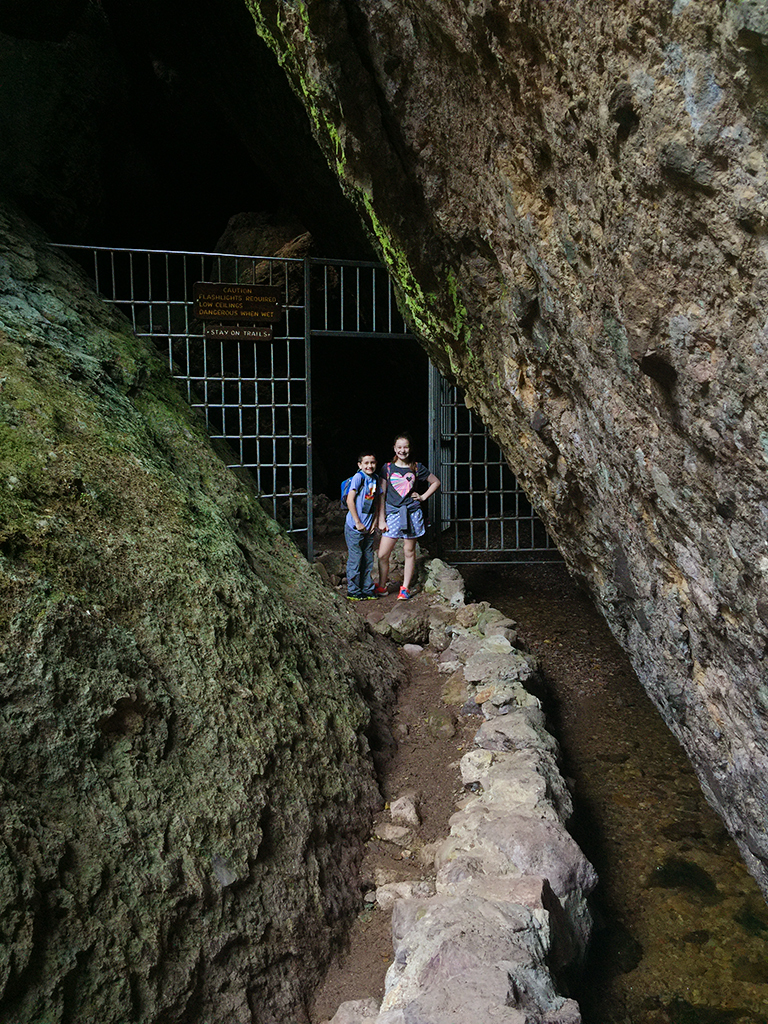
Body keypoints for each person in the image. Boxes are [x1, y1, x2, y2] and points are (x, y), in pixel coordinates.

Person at [376, 433, 441, 601]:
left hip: (412, 513)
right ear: (394, 448)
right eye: (399, 447)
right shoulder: (387, 468)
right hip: (393, 514)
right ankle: (382, 586)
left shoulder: (417, 467)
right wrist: (381, 519)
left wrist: (423, 496)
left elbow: (435, 482)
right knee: (383, 554)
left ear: (409, 448)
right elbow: (381, 495)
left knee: (409, 551)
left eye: (405, 447)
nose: (402, 450)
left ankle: (404, 588)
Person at [344, 451, 380, 600]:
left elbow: (377, 502)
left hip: (369, 528)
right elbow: (350, 500)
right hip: (355, 527)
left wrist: (375, 522)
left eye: (372, 463)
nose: (369, 466)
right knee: (356, 558)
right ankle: (353, 590)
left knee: (368, 558)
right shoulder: (359, 477)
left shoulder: (375, 479)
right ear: (360, 465)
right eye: (366, 463)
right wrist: (357, 522)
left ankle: (367, 588)